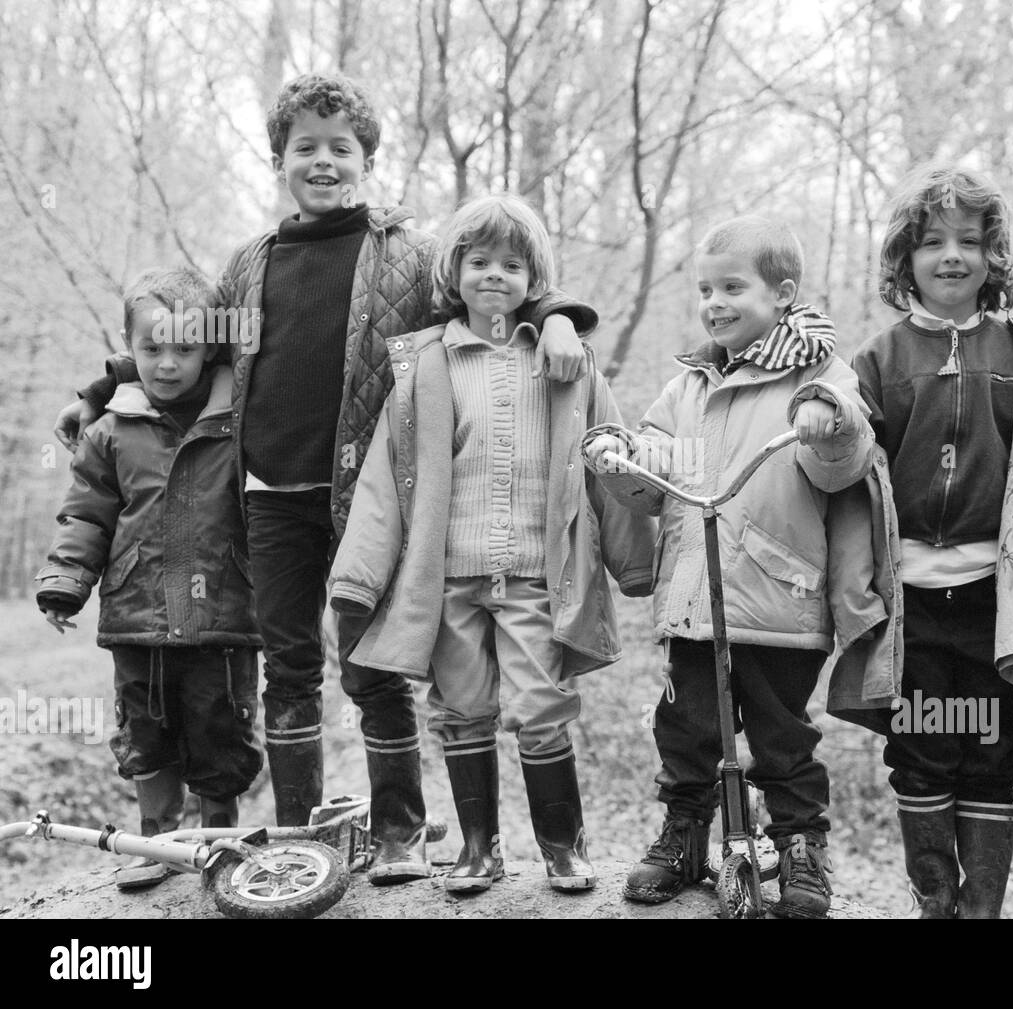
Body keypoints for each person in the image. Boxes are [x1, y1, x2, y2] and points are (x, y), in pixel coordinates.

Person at [50, 73, 596, 885]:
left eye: (342, 147)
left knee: (373, 662)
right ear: (280, 161)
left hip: (372, 497)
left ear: (367, 158)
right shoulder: (252, 266)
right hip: (270, 496)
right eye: (305, 147)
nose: (324, 160)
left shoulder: (405, 259)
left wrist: (557, 315)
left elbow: (492, 289)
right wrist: (100, 390)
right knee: (290, 665)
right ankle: (299, 831)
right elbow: (190, 350)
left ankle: (401, 828)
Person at [329, 194, 653, 894]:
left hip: (538, 572)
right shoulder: (425, 369)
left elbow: (609, 459)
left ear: (535, 279)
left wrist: (636, 560)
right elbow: (387, 479)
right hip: (449, 579)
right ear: (454, 270)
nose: (494, 276)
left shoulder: (567, 362)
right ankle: (479, 847)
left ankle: (562, 845)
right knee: (462, 707)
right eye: (478, 262)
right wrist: (356, 576)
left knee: (541, 706)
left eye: (512, 264)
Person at [585, 215, 877, 919]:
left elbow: (848, 459)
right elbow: (654, 466)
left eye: (732, 287)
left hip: (778, 599)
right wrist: (622, 456)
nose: (714, 302)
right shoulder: (688, 386)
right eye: (705, 289)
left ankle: (800, 846)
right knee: (686, 729)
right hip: (696, 598)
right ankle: (686, 834)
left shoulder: (820, 376)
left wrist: (827, 419)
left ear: (782, 294)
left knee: (783, 736)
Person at [844, 164, 1013, 918]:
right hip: (910, 599)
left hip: (992, 598)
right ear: (904, 260)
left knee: (990, 750)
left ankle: (982, 908)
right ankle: (936, 901)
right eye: (932, 242)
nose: (952, 255)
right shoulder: (880, 358)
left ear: (993, 257)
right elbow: (843, 457)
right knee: (920, 746)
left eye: (970, 242)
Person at [35, 267, 262, 891]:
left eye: (185, 349)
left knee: (221, 735)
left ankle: (219, 841)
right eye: (151, 348)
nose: (167, 363)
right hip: (137, 616)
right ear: (128, 350)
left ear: (210, 348)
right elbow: (87, 514)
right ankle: (157, 843)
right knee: (144, 734)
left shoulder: (240, 421)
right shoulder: (110, 432)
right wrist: (64, 582)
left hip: (224, 616)